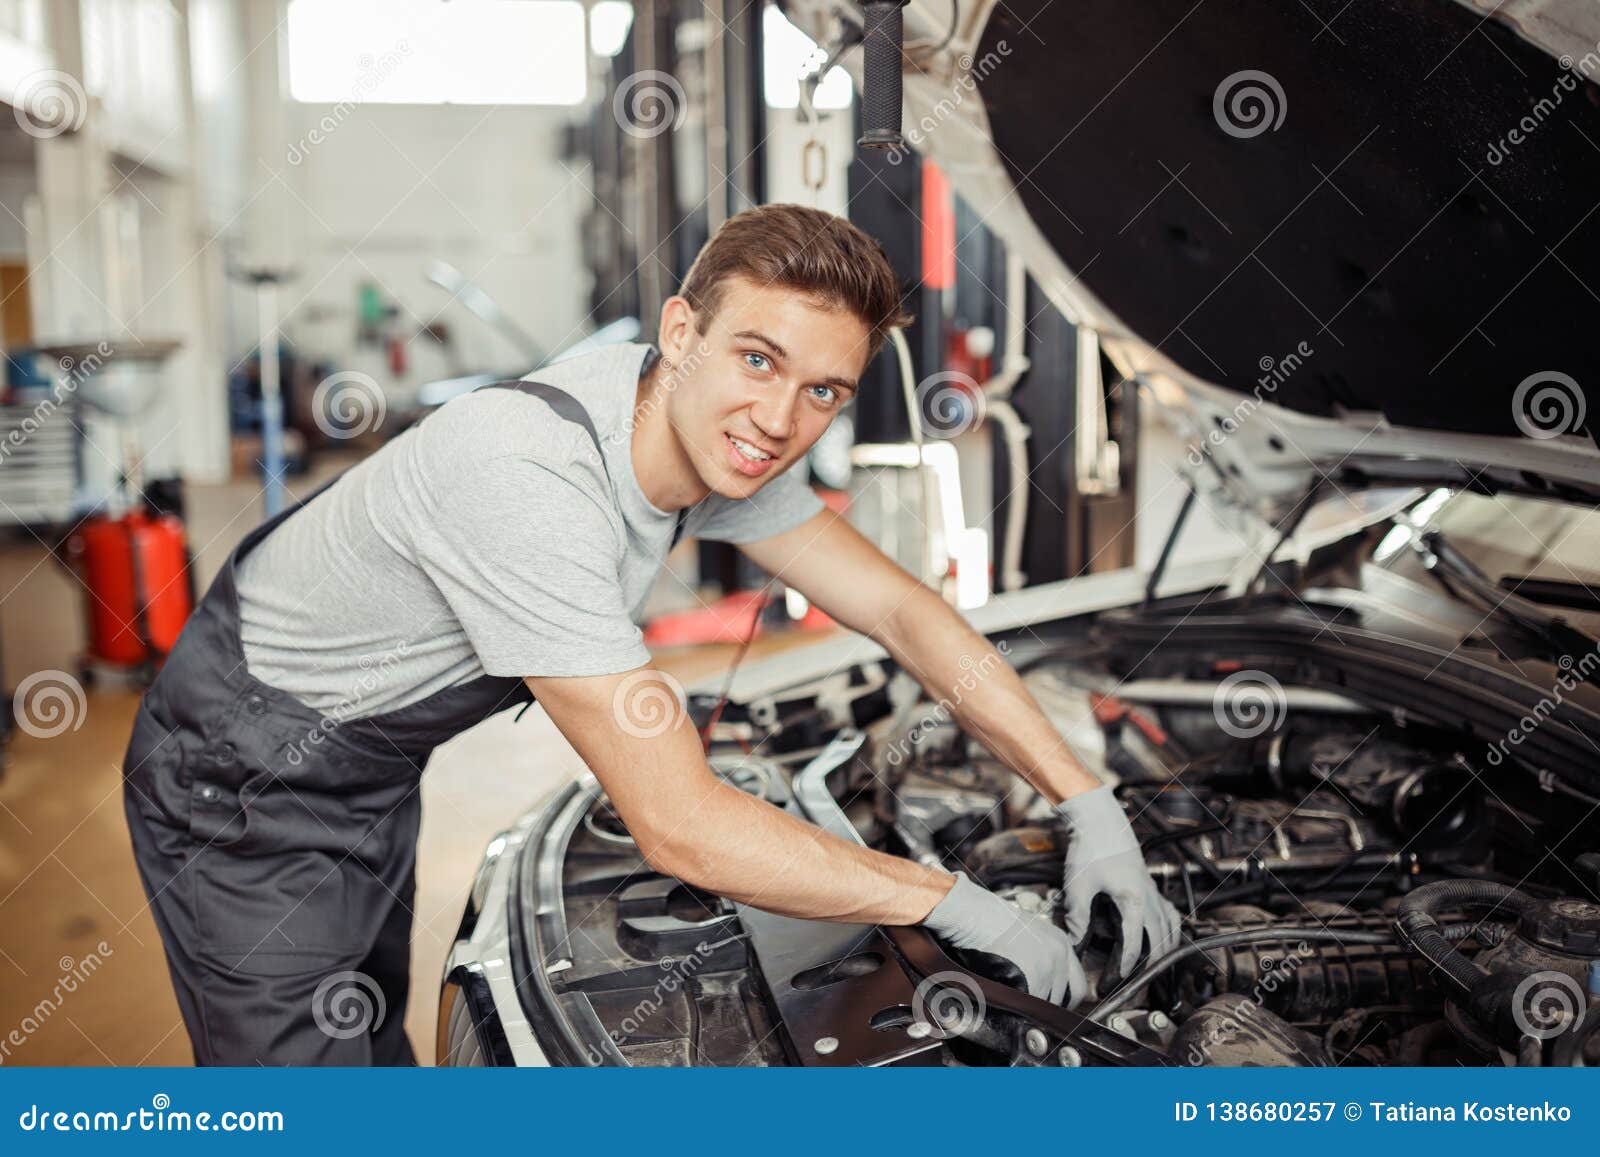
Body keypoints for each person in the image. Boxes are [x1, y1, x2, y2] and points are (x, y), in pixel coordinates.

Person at [121, 203, 1178, 1065]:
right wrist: (960, 904)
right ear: (680, 333)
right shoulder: (528, 480)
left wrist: (1088, 802)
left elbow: (902, 609)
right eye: (756, 360)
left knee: (358, 1030)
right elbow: (674, 821)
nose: (778, 419)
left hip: (369, 756)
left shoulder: (704, 440)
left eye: (822, 390)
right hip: (245, 775)